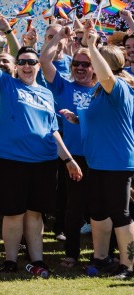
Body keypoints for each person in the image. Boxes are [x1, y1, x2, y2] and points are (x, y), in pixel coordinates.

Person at [0, 16, 81, 277]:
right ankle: (10, 261)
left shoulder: (46, 93)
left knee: (35, 214)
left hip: (43, 161)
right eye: (21, 62)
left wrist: (68, 159)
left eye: (31, 62)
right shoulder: (6, 84)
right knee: (13, 213)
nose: (26, 66)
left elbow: (52, 130)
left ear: (37, 66)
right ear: (16, 66)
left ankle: (38, 260)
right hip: (9, 160)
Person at [76, 26, 134, 279]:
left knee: (120, 214)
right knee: (98, 212)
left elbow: (108, 77)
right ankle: (101, 258)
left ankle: (129, 265)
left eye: (94, 61)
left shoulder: (118, 86)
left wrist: (91, 45)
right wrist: (77, 119)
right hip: (97, 161)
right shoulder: (99, 90)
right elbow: (103, 118)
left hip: (117, 162)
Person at [39, 22, 96, 268]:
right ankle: (72, 253)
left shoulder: (104, 89)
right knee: (74, 206)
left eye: (86, 64)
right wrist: (59, 38)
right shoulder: (64, 85)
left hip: (101, 156)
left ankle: (104, 254)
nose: (80, 68)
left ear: (95, 67)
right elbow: (44, 61)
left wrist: (91, 42)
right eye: (76, 64)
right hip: (75, 158)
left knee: (102, 207)